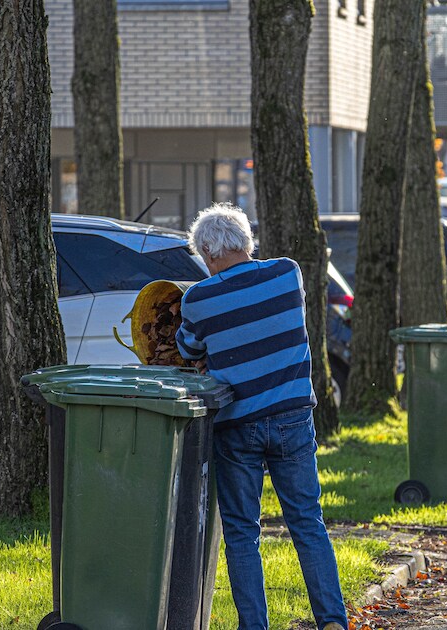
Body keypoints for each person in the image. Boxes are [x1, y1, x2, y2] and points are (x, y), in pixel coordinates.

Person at [176, 203, 348, 630]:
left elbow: (187, 349)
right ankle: (332, 620)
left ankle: (254, 626)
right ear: (246, 241)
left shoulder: (198, 298)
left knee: (241, 533)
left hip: (237, 423)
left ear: (209, 252)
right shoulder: (287, 273)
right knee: (307, 522)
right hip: (292, 416)